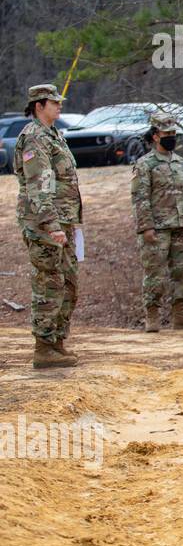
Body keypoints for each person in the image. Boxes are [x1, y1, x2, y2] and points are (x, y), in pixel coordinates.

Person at [14, 83, 82, 368]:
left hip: (63, 221)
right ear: (39, 106)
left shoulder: (54, 135)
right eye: (54, 102)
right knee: (49, 282)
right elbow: (40, 186)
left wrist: (69, 223)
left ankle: (56, 342)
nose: (60, 106)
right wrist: (52, 224)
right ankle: (43, 346)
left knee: (68, 282)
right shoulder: (34, 137)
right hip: (45, 224)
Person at [132, 111, 183, 334]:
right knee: (155, 273)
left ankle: (181, 316)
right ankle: (152, 315)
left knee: (182, 271)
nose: (171, 137)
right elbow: (140, 198)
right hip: (158, 227)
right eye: (166, 133)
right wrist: (146, 227)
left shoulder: (181, 163)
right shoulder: (145, 165)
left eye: (173, 133)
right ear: (155, 136)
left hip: (182, 225)